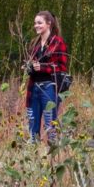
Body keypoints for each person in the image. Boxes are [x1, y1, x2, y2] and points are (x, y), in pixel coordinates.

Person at [25, 10, 68, 141]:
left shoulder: (57, 42)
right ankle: (33, 157)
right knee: (32, 125)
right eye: (35, 23)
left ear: (49, 23)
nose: (36, 25)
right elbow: (33, 66)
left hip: (49, 87)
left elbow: (62, 67)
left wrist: (43, 67)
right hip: (33, 87)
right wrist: (29, 67)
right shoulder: (35, 44)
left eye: (39, 23)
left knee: (50, 126)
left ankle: (53, 157)